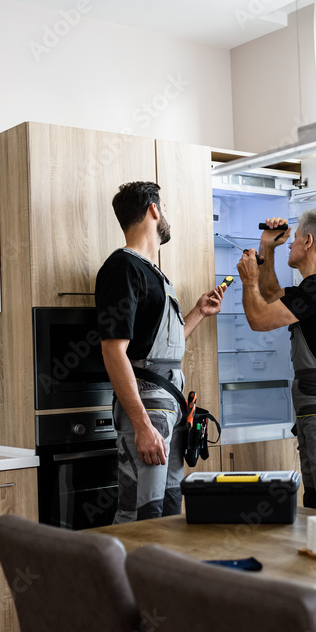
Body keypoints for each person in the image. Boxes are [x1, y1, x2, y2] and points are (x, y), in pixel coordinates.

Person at [96, 181, 225, 523]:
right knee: (140, 513)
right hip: (147, 410)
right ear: (154, 209)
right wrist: (141, 425)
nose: (165, 215)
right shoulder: (122, 269)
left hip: (169, 407)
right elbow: (114, 352)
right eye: (163, 208)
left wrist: (197, 312)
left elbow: (159, 348)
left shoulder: (154, 274)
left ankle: (159, 577)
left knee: (168, 511)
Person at [236, 209, 316, 508]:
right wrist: (267, 247)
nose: (288, 244)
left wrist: (249, 278)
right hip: (314, 402)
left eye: (294, 239)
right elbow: (271, 295)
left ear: (308, 241)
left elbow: (259, 317)